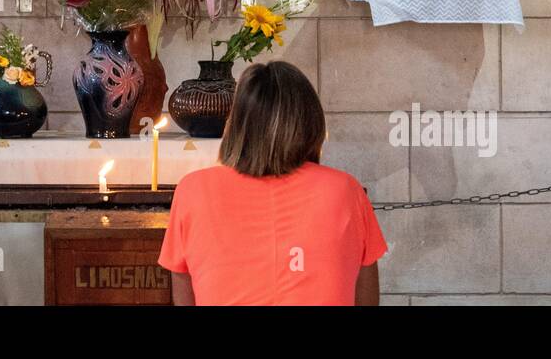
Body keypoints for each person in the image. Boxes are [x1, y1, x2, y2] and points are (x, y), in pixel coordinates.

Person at [158, 61, 388, 305]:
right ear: (311, 123)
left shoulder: (193, 191)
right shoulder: (345, 191)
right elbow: (366, 299)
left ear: (236, 125)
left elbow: (185, 294)